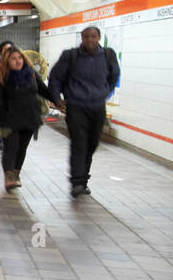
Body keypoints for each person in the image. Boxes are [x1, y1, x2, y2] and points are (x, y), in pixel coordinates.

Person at [48, 25, 120, 197]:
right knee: (79, 143)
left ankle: (83, 180)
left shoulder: (108, 55)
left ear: (99, 38)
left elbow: (114, 76)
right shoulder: (70, 56)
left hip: (97, 107)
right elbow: (55, 77)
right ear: (81, 38)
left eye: (93, 36)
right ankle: (77, 182)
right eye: (86, 36)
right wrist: (57, 98)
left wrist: (103, 92)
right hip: (76, 106)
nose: (90, 40)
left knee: (92, 144)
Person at [0, 48, 61, 191]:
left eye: (20, 57)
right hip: (8, 119)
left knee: (21, 148)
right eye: (14, 58)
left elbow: (43, 90)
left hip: (29, 118)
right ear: (7, 61)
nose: (18, 60)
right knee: (11, 147)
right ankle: (9, 177)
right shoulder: (1, 78)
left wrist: (57, 101)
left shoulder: (31, 74)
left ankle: (15, 174)